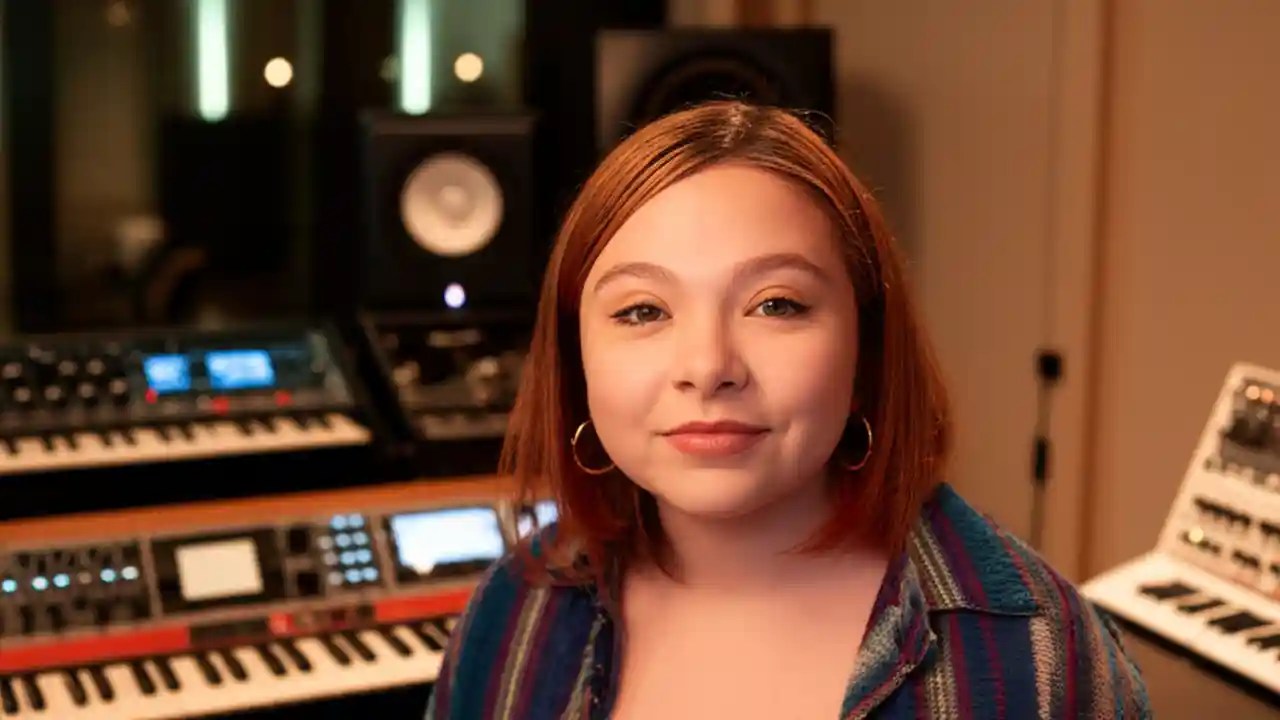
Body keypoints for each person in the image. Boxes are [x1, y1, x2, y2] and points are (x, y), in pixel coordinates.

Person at [425, 100, 1150, 719]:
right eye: (643, 310)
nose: (708, 367)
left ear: (866, 352)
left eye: (776, 304)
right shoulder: (515, 607)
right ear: (575, 361)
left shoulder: (1036, 654)